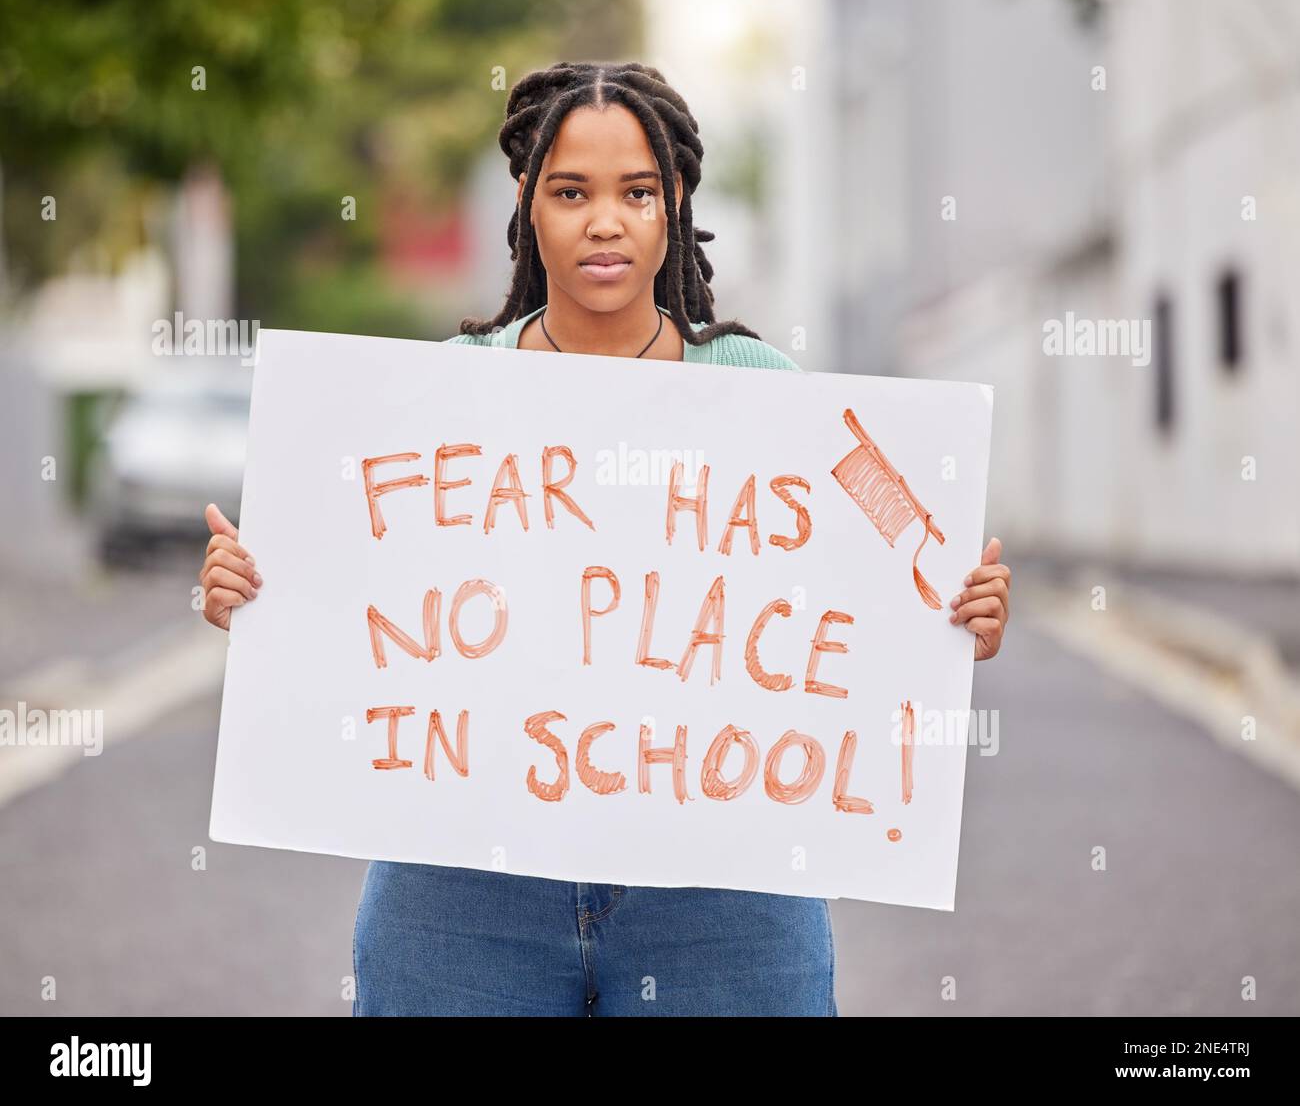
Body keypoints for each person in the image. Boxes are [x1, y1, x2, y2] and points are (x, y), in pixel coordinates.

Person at [198, 60, 1012, 1016]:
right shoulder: (442, 391)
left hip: (722, 884)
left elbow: (890, 540)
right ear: (526, 205)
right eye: (570, 191)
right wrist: (253, 590)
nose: (604, 220)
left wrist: (955, 613)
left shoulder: (764, 385)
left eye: (637, 191)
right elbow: (348, 591)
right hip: (466, 881)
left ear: (674, 205)